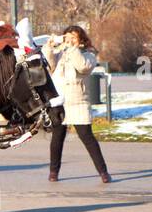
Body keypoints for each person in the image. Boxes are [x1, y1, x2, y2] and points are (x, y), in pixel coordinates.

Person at [45, 25, 111, 184]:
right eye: (67, 37)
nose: (70, 40)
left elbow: (83, 66)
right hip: (59, 102)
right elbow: (49, 65)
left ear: (80, 39)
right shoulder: (61, 53)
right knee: (57, 138)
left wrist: (72, 48)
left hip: (78, 101)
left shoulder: (88, 54)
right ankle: (53, 171)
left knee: (87, 137)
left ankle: (103, 172)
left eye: (73, 37)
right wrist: (50, 46)